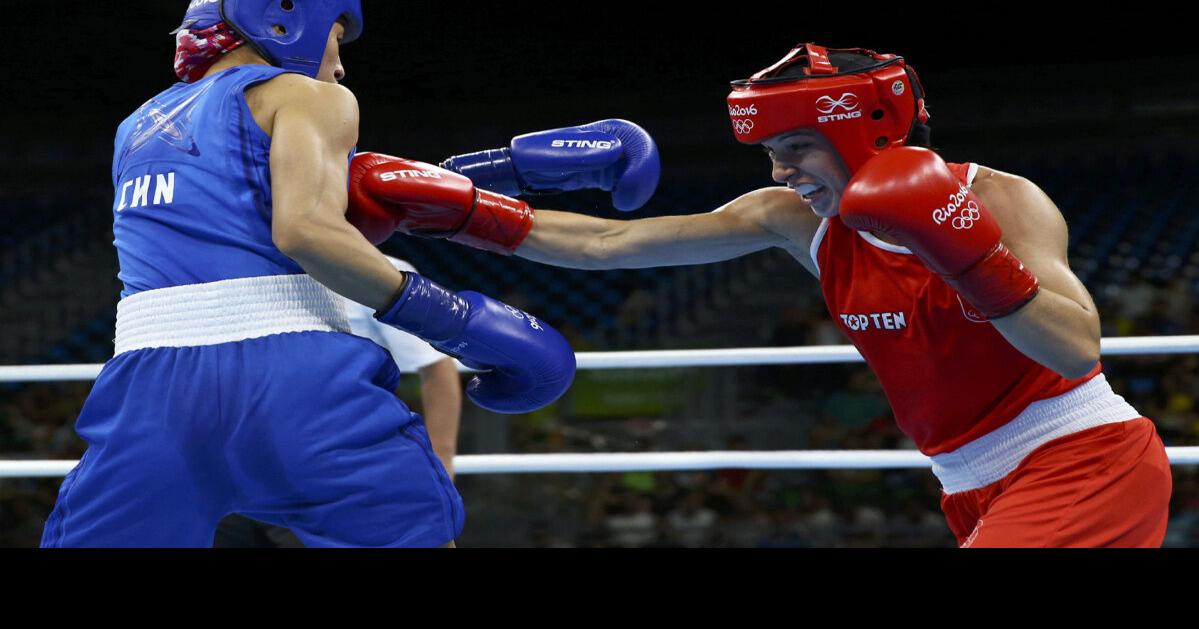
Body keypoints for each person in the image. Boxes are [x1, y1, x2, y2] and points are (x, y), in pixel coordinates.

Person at [352, 43, 1173, 547]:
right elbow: (612, 242)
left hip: (1080, 457)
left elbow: (1073, 346)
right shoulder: (791, 218)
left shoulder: (1000, 199)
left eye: (794, 148)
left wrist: (962, 252)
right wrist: (464, 213)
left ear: (861, 131)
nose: (778, 172)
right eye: (769, 151)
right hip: (965, 479)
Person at [40, 0, 578, 548]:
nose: (340, 65)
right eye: (336, 41)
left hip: (147, 381)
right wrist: (454, 317)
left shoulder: (136, 126)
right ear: (284, 22)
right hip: (292, 371)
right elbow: (304, 229)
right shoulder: (308, 96)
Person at [215, 256, 463, 548]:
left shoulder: (378, 269)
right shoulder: (230, 267)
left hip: (327, 471)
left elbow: (436, 368)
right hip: (229, 467)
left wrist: (441, 458)